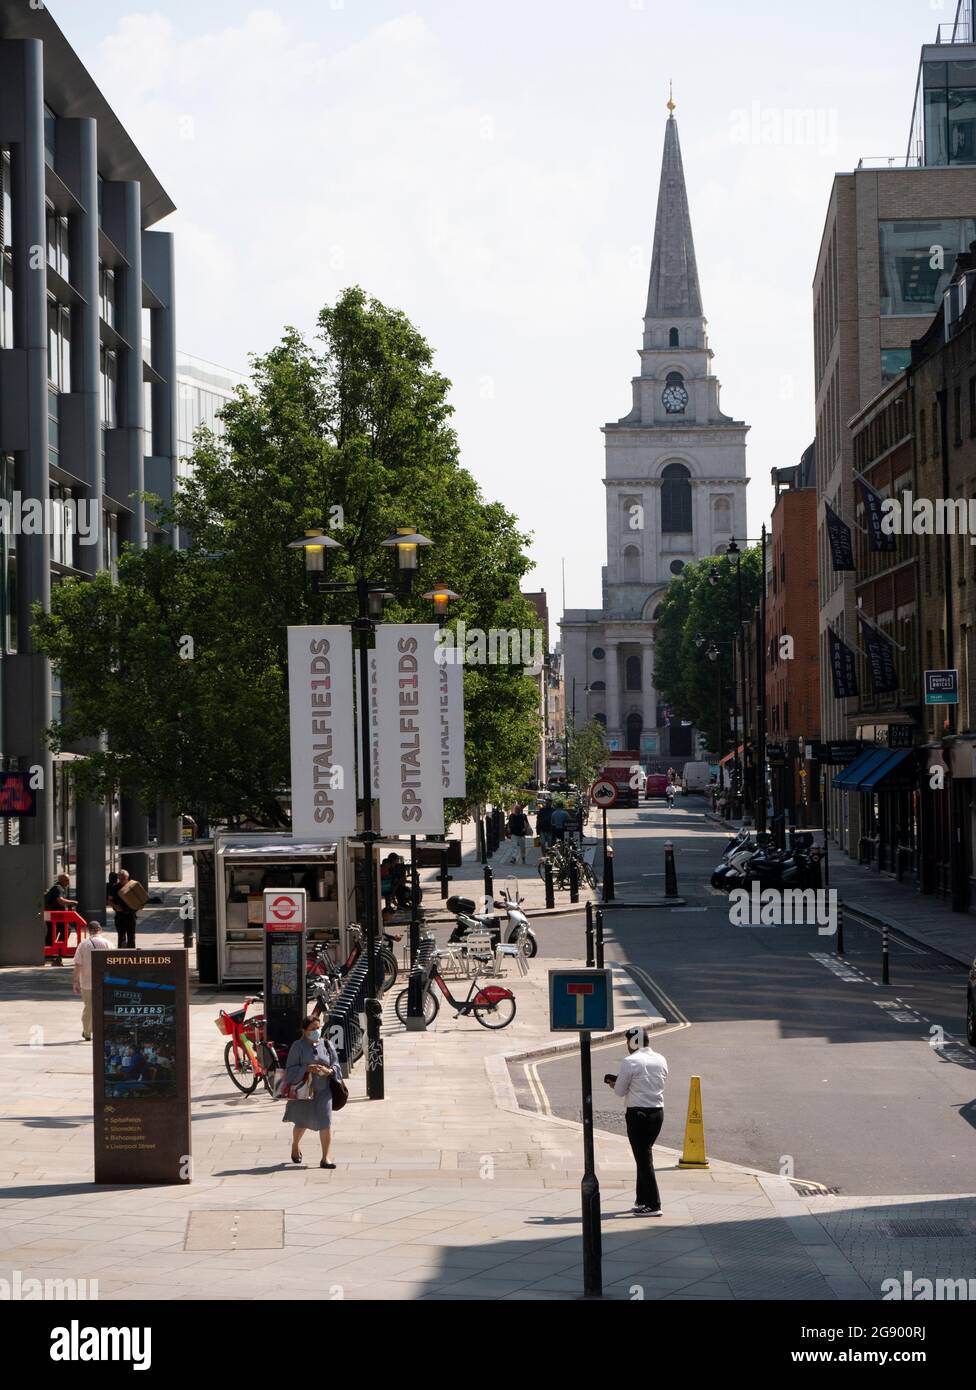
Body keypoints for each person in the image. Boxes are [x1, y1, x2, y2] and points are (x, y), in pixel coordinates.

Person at [606, 1026, 669, 1216]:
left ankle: (653, 1204)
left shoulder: (630, 1061)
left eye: (627, 1042)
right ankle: (642, 1201)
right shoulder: (661, 1059)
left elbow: (620, 1091)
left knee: (644, 1159)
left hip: (637, 1114)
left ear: (633, 1043)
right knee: (643, 1157)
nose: (627, 1046)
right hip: (657, 1113)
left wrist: (614, 1083)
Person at [282, 1016, 342, 1169]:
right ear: (304, 1030)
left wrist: (329, 1071)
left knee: (326, 1122)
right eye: (313, 1029)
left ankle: (325, 1158)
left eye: (318, 1028)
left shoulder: (327, 1044)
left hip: (324, 1089)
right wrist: (306, 1068)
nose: (316, 1031)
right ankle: (295, 1145)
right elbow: (289, 1071)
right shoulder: (298, 1046)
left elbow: (336, 1065)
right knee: (302, 1123)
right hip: (304, 1091)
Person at [71, 921, 110, 1041]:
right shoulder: (108, 944)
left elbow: (78, 965)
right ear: (100, 930)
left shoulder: (83, 944)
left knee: (88, 1007)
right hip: (104, 981)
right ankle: (100, 1030)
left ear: (89, 931)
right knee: (102, 1006)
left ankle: (87, 1032)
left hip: (87, 982)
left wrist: (75, 981)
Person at [107, 869, 138, 949]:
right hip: (120, 915)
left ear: (127, 878)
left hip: (131, 915)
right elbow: (109, 900)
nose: (121, 880)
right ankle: (121, 953)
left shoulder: (133, 886)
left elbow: (140, 898)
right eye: (120, 879)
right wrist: (114, 906)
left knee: (131, 936)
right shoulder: (115, 887)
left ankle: (131, 953)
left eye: (123, 878)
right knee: (121, 936)